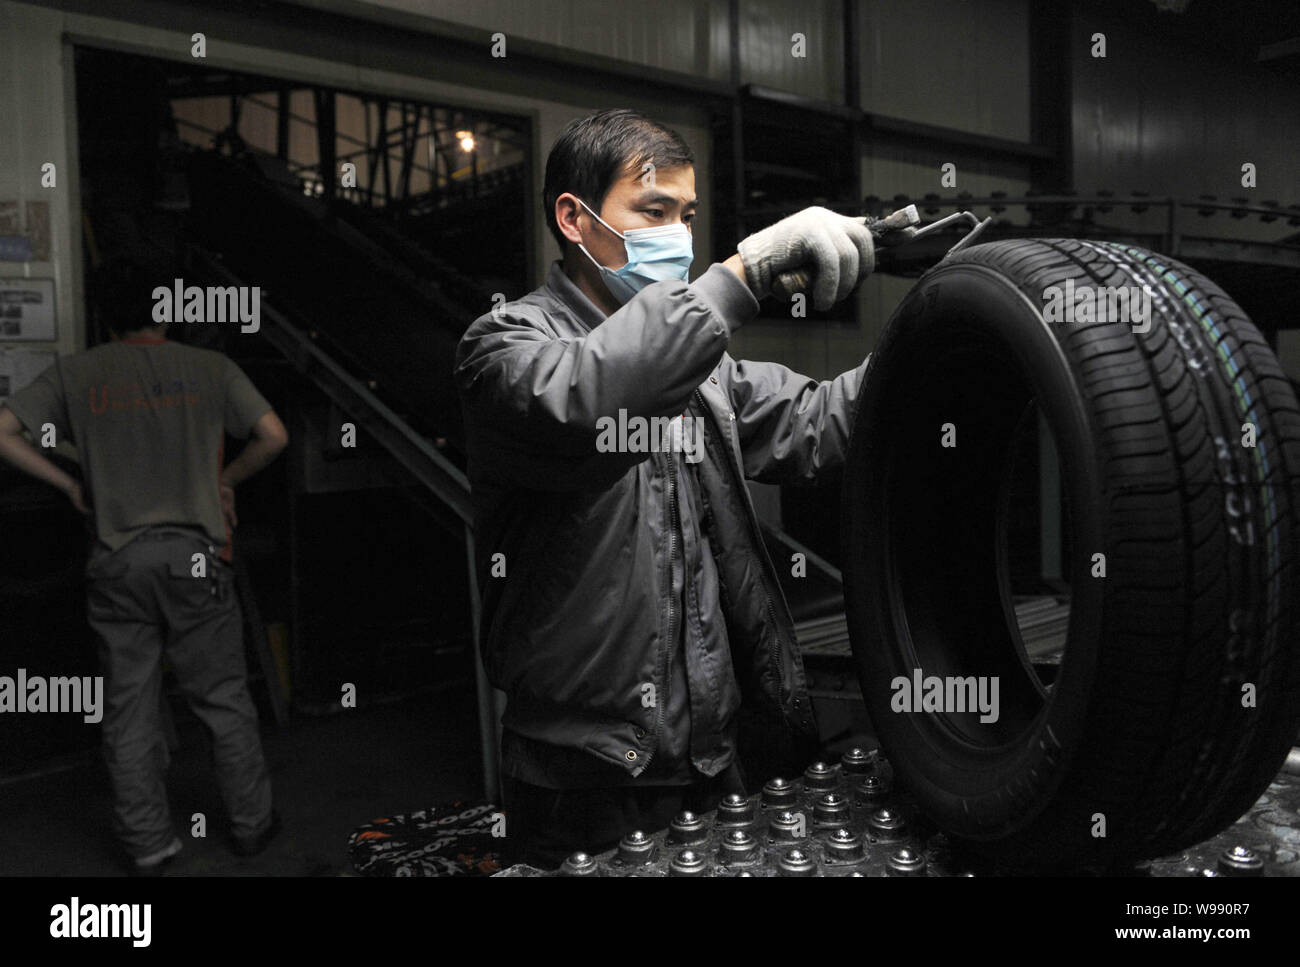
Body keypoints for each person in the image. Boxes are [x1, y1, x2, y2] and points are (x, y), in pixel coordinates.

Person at [454, 109, 877, 869]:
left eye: (686, 216)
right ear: (574, 219)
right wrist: (743, 276)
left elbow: (815, 422)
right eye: (653, 212)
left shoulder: (700, 365)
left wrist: (939, 335)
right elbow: (590, 395)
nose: (678, 238)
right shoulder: (505, 347)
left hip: (712, 758)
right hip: (580, 775)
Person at [0, 257, 289, 875]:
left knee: (129, 710)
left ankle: (149, 845)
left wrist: (70, 486)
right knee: (222, 701)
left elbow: (2, 430)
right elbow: (274, 435)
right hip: (196, 560)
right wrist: (223, 481)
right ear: (166, 310)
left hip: (117, 562)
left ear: (103, 314)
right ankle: (250, 827)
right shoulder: (210, 367)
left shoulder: (76, 373)